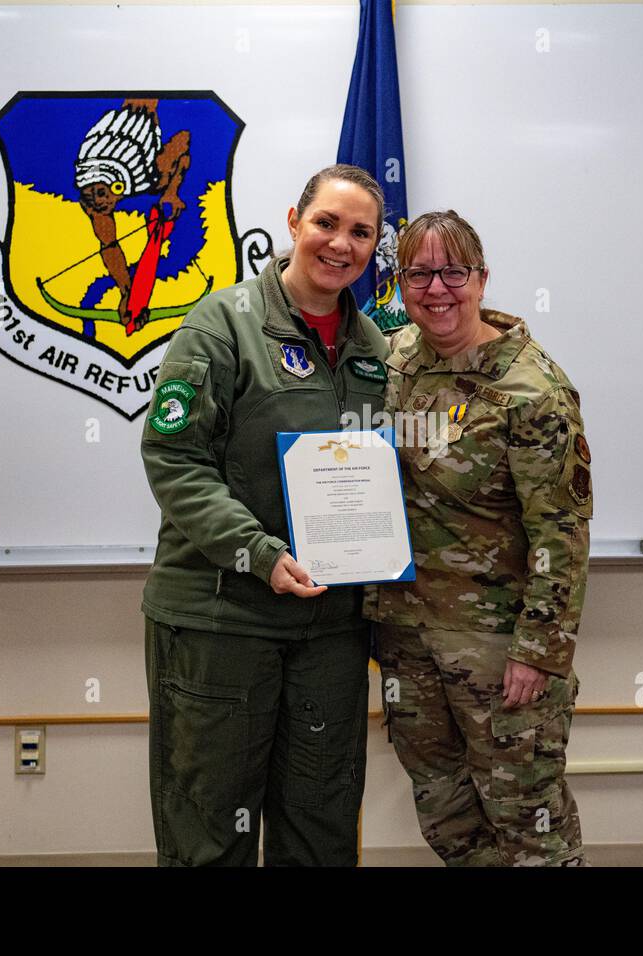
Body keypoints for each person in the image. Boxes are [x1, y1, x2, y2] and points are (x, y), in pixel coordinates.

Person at [141, 164, 388, 866]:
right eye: (326, 223)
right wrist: (257, 551)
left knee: (321, 828)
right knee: (212, 833)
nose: (341, 243)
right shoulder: (220, 326)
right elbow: (174, 459)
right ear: (293, 221)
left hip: (330, 628)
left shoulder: (373, 349)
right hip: (223, 623)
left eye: (360, 232)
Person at [366, 210, 593, 866]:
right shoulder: (398, 358)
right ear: (401, 284)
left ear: (481, 278)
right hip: (409, 640)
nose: (437, 289)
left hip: (499, 653)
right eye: (419, 274)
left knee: (528, 825)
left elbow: (562, 528)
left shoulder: (531, 388)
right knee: (447, 814)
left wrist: (538, 652)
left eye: (453, 272)